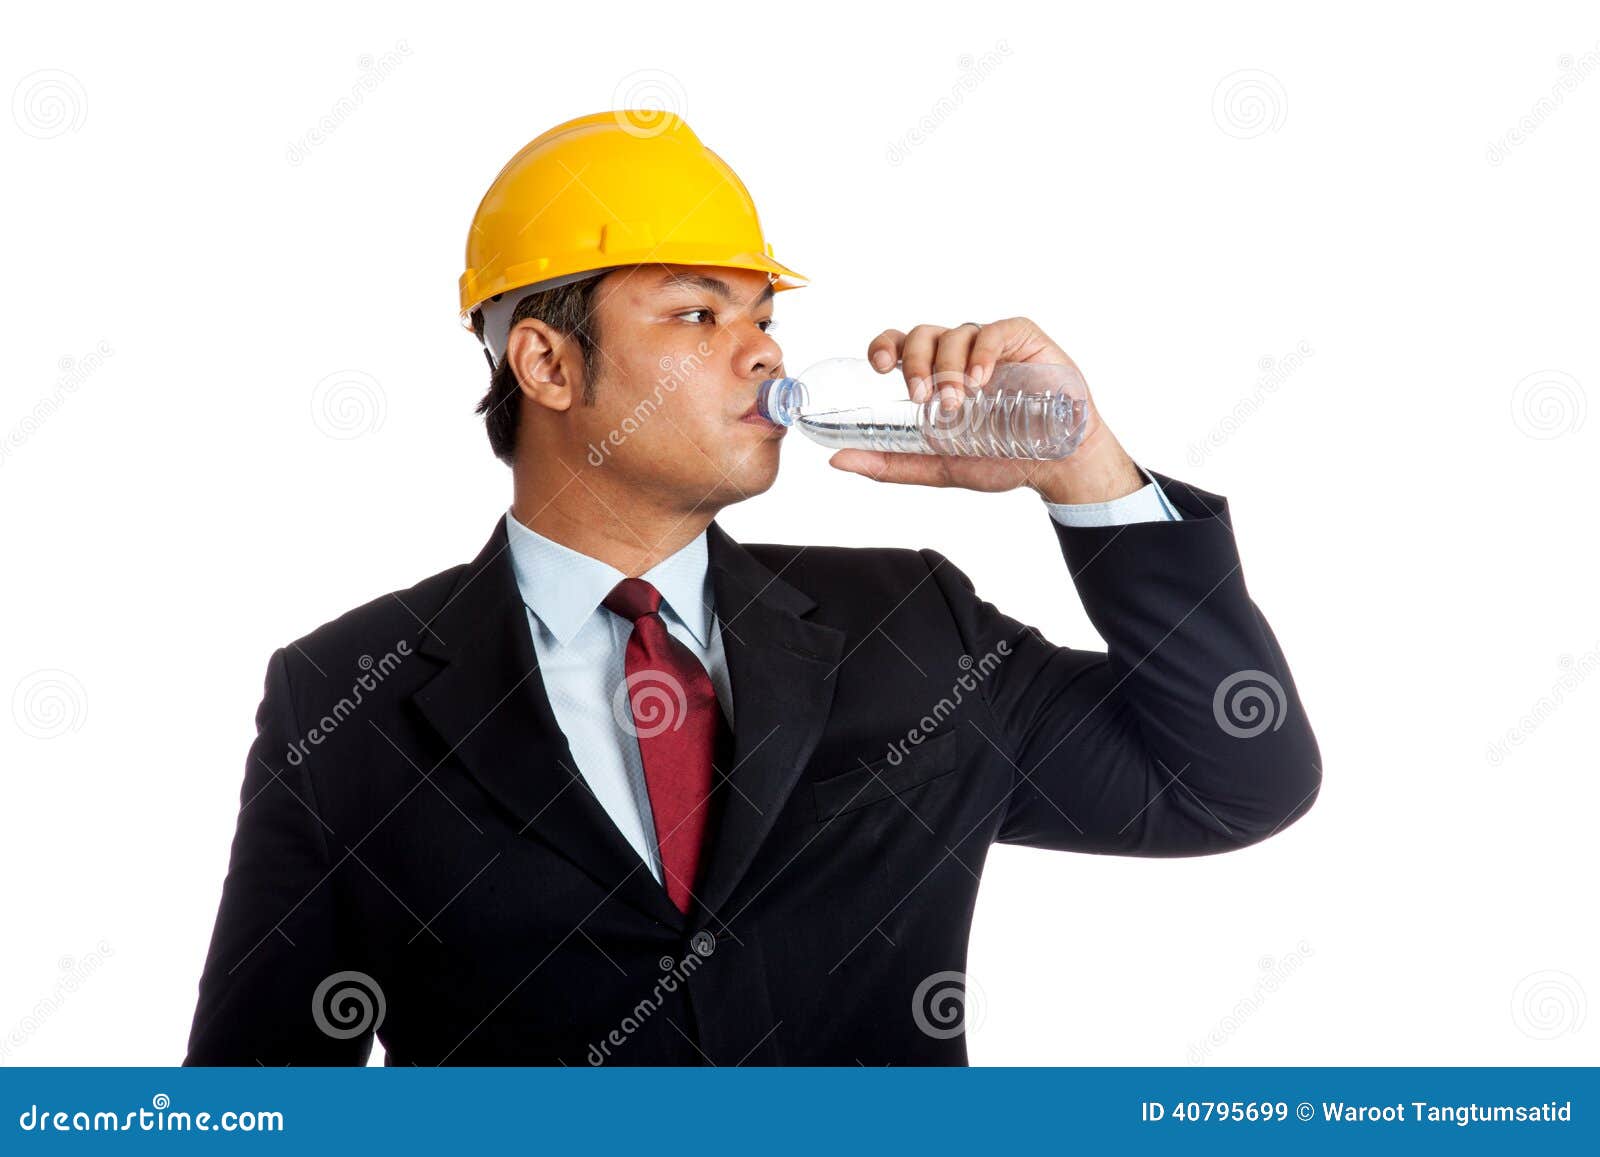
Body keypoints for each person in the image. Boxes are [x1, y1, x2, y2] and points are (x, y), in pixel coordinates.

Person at [185, 110, 1320, 1066]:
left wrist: (1083, 469)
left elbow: (1230, 778)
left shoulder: (912, 627)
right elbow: (254, 1102)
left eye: (763, 315)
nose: (764, 352)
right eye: (698, 312)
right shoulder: (347, 696)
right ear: (546, 362)